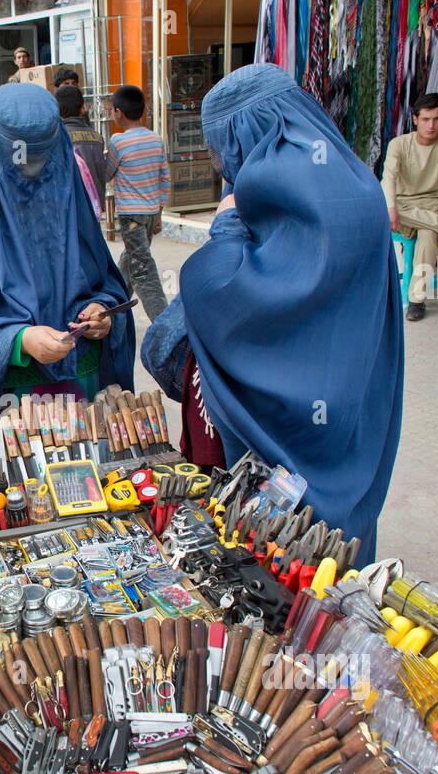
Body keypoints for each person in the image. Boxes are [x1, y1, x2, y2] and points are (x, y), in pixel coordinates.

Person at [141, 64, 403, 565]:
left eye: (222, 149)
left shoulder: (259, 201)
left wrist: (225, 233)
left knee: (268, 548)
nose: (222, 167)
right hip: (351, 407)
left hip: (279, 421)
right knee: (335, 546)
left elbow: (222, 291)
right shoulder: (357, 187)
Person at [0, 83, 135, 419]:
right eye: (18, 162)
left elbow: (104, 283)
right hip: (5, 405)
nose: (33, 172)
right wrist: (18, 340)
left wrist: (101, 313)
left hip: (85, 392)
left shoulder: (69, 198)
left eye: (43, 159)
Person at [381, 91, 438, 322]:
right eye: (425, 119)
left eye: (436, 119)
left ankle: (416, 300)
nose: (431, 125)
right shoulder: (399, 144)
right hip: (403, 212)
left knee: (427, 236)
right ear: (415, 119)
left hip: (437, 211)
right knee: (382, 203)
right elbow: (388, 178)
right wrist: (391, 207)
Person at [108, 84, 170, 320]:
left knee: (142, 268)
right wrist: (160, 214)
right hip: (151, 214)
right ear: (144, 110)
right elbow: (165, 178)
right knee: (132, 259)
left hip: (131, 216)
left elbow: (108, 173)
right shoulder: (156, 139)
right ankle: (115, 306)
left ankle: (163, 321)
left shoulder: (118, 142)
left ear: (118, 112)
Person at [56, 85, 109, 201]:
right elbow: (101, 174)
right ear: (83, 108)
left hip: (70, 207)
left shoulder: (57, 138)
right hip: (94, 206)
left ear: (57, 111)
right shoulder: (97, 138)